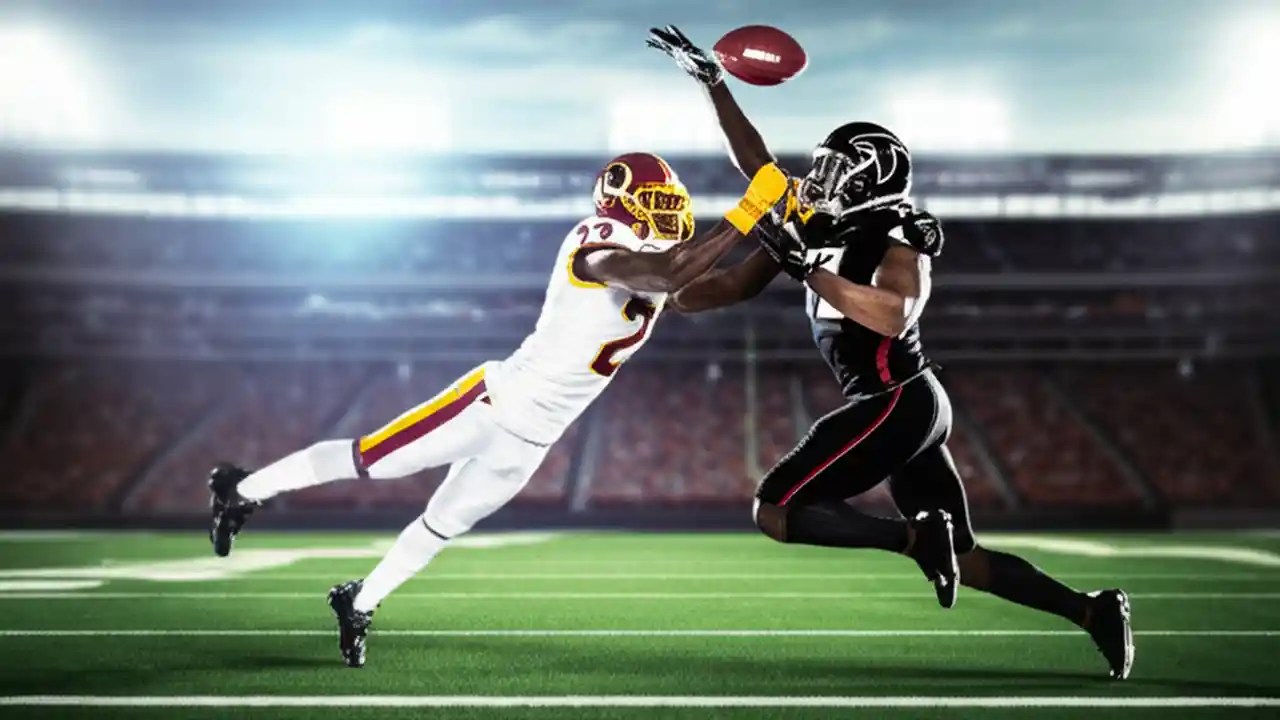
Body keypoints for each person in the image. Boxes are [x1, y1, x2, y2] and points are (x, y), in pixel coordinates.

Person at [648, 25, 1134, 680]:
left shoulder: (896, 225)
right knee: (969, 554)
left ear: (874, 175)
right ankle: (1092, 611)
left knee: (779, 509)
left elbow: (895, 309)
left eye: (836, 168)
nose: (819, 177)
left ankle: (913, 536)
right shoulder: (814, 223)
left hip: (898, 398)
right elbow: (742, 238)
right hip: (898, 406)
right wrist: (714, 85)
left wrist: (809, 271)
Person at [207, 151, 794, 667]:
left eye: (670, 202)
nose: (667, 212)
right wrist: (746, 212)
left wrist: (782, 237)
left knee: (446, 522)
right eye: (655, 201)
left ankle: (358, 600)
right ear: (619, 200)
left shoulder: (657, 267)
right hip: (491, 402)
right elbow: (670, 270)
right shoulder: (597, 241)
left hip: (535, 436)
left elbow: (730, 287)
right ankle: (243, 489)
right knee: (375, 460)